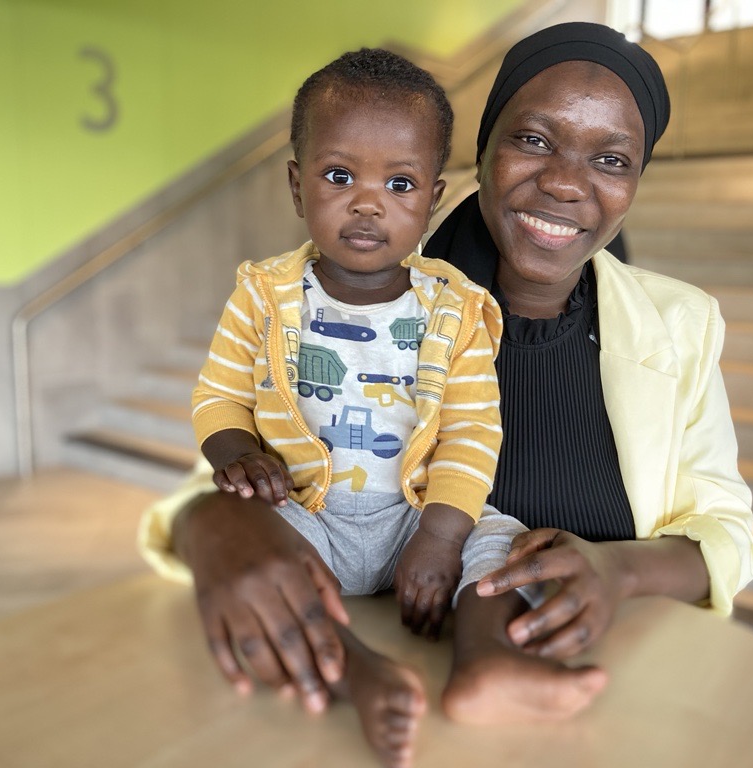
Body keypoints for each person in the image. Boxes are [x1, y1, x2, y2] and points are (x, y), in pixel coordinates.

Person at [139, 17, 753, 757]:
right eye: (533, 139)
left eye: (612, 159)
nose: (564, 181)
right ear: (482, 151)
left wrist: (621, 569)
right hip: (370, 718)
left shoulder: (681, 325)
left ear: (635, 183)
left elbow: (727, 533)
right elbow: (238, 455)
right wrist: (210, 521)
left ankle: (490, 662)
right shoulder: (373, 279)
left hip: (593, 716)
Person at [172, 48, 568, 768]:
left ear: (430, 199)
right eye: (338, 175)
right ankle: (352, 666)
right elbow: (218, 395)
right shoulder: (262, 296)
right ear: (297, 186)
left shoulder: (456, 311)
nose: (367, 201)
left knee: (504, 542)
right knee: (257, 545)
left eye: (400, 182)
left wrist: (444, 538)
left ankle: (484, 660)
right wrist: (237, 454)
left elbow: (474, 432)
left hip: (418, 518)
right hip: (307, 514)